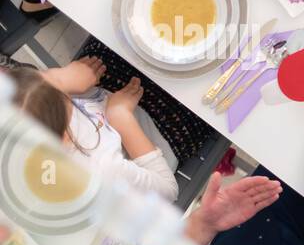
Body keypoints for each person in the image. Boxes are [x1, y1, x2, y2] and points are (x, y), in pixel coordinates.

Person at [4, 60, 180, 201]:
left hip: (101, 102)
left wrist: (61, 79)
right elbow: (168, 190)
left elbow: (33, 88)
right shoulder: (102, 167)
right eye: (55, 86)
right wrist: (121, 116)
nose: (48, 76)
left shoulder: (30, 123)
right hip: (150, 144)